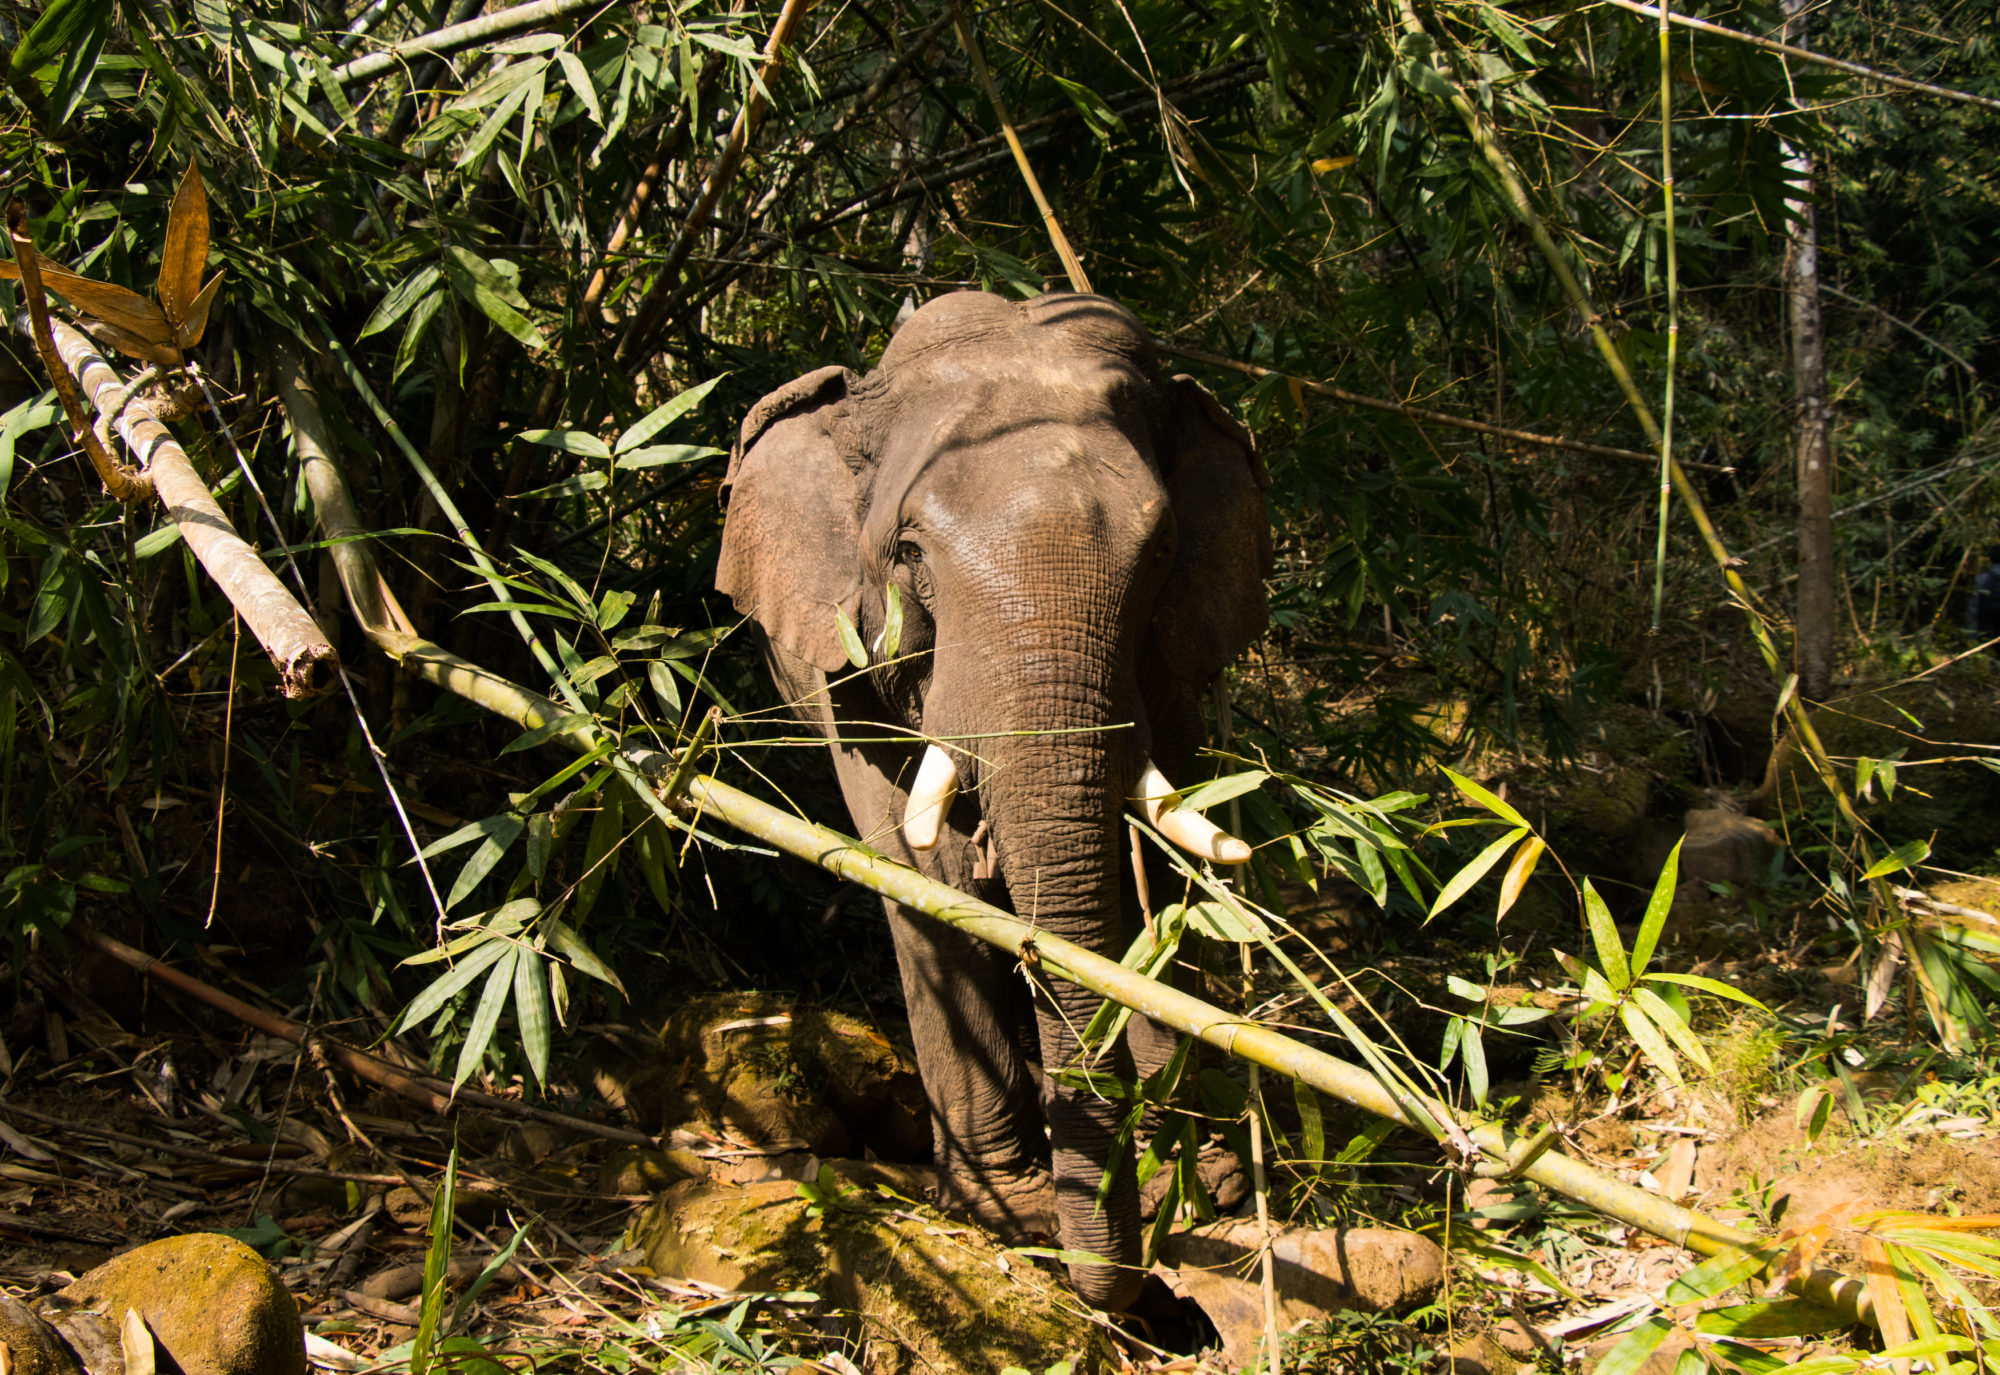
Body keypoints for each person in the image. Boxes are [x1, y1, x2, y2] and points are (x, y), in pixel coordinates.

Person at [1967, 545, 2000, 648]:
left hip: (1989, 627)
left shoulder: (1982, 579)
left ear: (1990, 560)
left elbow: (1974, 607)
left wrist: (1971, 634)